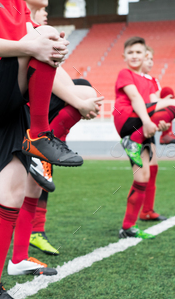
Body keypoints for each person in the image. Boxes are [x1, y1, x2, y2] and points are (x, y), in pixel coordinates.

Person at [0, 0, 84, 299]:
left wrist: (78, 95)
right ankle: (40, 134)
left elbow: (41, 47)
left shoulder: (20, 8)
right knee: (45, 35)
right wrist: (36, 44)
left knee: (12, 190)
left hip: (13, 99)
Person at [26, 0, 102, 255]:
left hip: (38, 107)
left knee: (39, 177)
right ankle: (50, 140)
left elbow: (62, 79)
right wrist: (81, 104)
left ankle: (37, 231)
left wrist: (81, 103)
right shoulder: (28, 29)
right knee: (85, 90)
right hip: (24, 105)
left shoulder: (38, 29)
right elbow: (53, 81)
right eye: (43, 10)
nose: (47, 13)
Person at [113, 36, 175, 239]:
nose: (134, 56)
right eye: (130, 53)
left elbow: (154, 105)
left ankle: (128, 227)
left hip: (142, 125)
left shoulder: (149, 82)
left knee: (143, 176)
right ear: (124, 56)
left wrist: (160, 124)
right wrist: (148, 122)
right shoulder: (125, 73)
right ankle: (132, 139)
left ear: (145, 56)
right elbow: (135, 99)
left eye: (138, 53)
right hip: (128, 119)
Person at [142, 47, 175, 145]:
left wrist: (163, 100)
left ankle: (166, 133)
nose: (150, 62)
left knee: (167, 91)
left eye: (151, 59)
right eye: (146, 59)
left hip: (153, 109)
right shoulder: (135, 77)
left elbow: (155, 98)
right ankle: (139, 130)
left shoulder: (153, 80)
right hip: (141, 112)